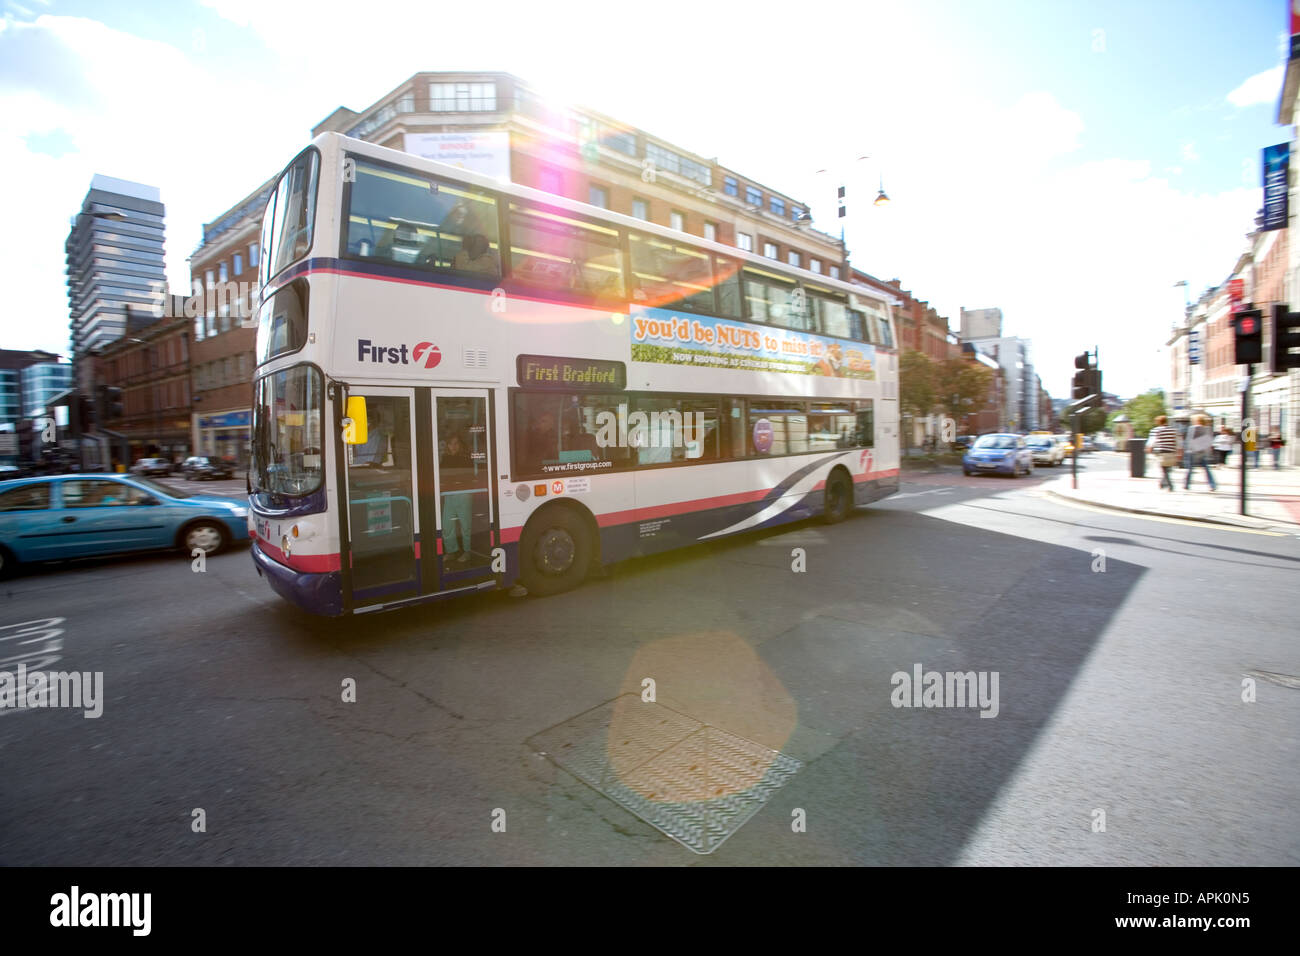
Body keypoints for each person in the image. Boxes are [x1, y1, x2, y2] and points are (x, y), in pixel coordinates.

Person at [440, 433, 474, 564]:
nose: (453, 446)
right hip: (449, 494)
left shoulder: (465, 458)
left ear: (460, 445)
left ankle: (467, 552)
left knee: (466, 525)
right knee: (447, 525)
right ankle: (451, 551)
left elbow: (468, 477)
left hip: (464, 493)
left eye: (456, 443)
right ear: (447, 446)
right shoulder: (445, 458)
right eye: (450, 443)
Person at [1183, 414, 1216, 491]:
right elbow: (1209, 441)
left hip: (1192, 451)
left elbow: (1189, 440)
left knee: (1190, 469)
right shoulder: (1207, 429)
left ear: (1196, 420)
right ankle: (1212, 485)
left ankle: (1186, 484)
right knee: (1206, 469)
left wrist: (1187, 449)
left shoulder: (1192, 428)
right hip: (1202, 451)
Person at [1146, 415, 1180, 491]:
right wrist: (1179, 452)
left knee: (1164, 469)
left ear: (1158, 422)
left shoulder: (1156, 430)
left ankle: (1170, 485)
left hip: (1161, 452)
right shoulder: (1173, 430)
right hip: (1171, 452)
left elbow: (1152, 441)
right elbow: (1178, 442)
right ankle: (1162, 484)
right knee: (1166, 469)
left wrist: (1149, 449)